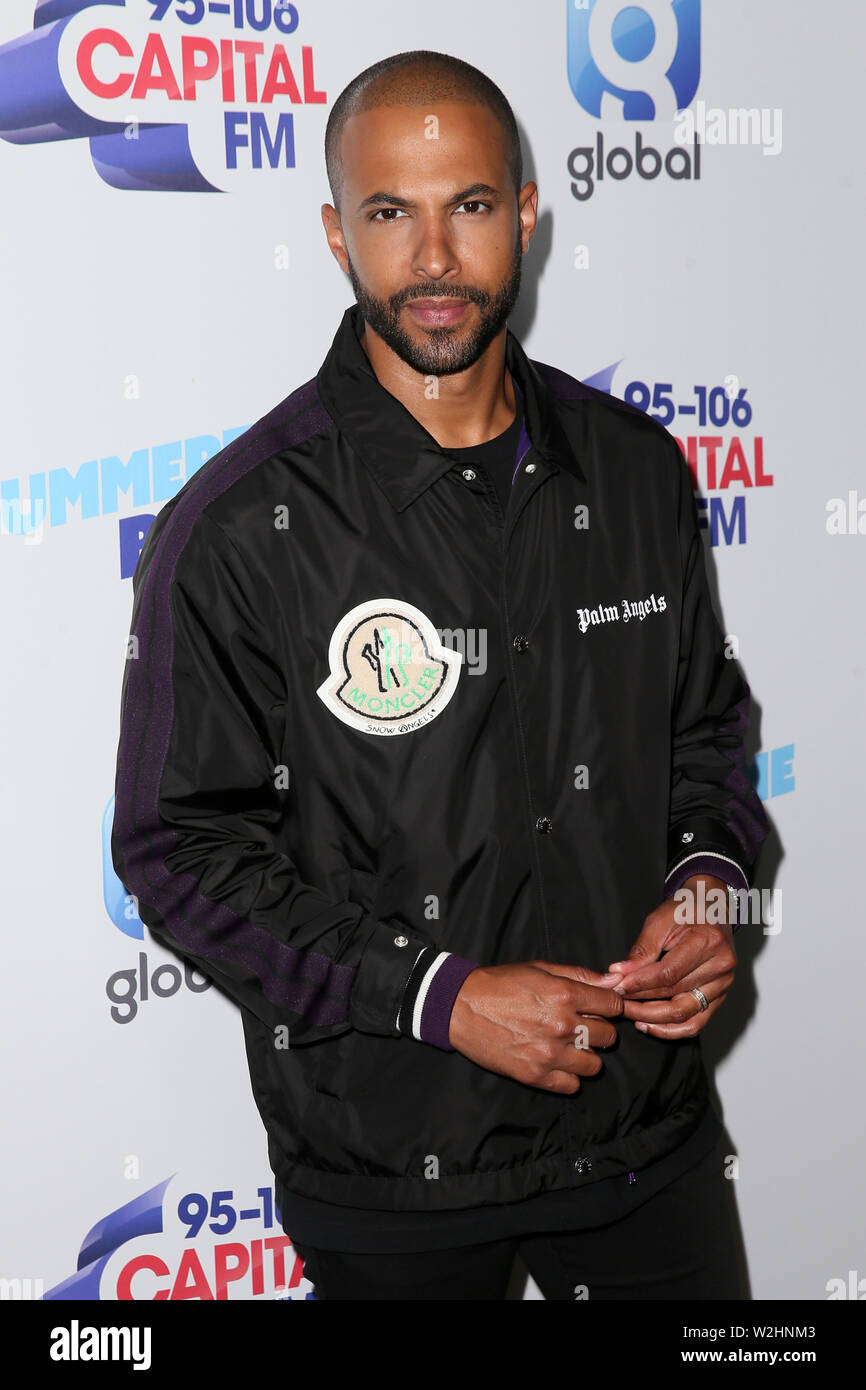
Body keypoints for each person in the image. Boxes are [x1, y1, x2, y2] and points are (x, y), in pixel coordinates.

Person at [111, 49, 770, 1301]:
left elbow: (706, 742)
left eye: (466, 206)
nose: (430, 258)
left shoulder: (635, 473)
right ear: (332, 233)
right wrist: (434, 996)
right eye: (387, 213)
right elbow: (178, 853)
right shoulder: (242, 527)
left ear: (523, 213)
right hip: (385, 1172)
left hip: (643, 1139)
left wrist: (710, 883)